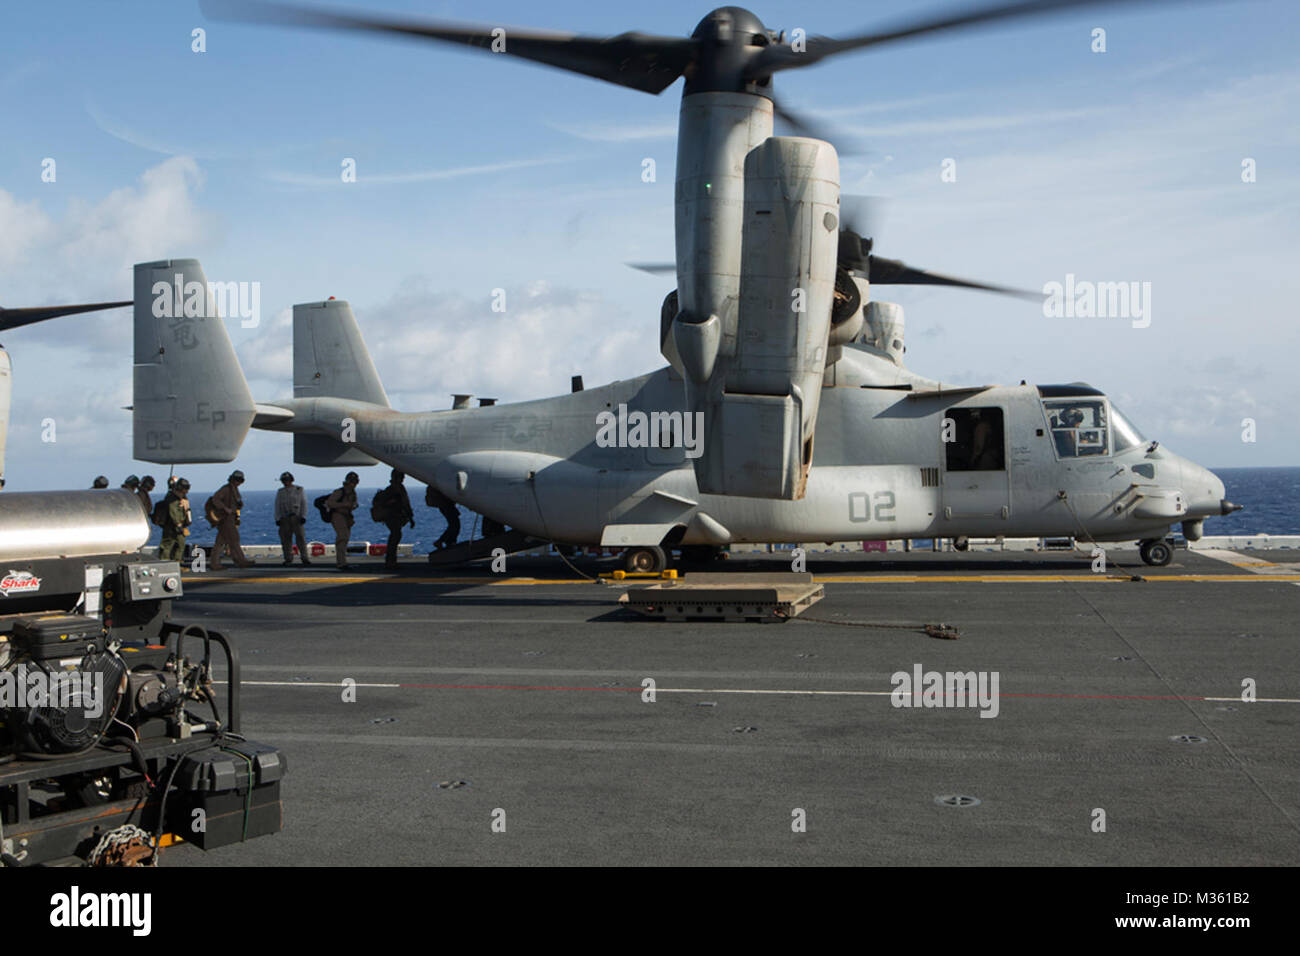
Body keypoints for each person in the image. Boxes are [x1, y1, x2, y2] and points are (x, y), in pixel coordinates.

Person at [211, 470, 255, 570]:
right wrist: (225, 508)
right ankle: (241, 561)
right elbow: (215, 499)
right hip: (226, 519)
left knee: (221, 541)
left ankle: (216, 563)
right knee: (234, 539)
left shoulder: (234, 489)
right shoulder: (226, 489)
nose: (239, 482)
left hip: (230, 518)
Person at [374, 470, 414, 570]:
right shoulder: (393, 490)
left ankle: (391, 561)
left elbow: (405, 503)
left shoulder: (398, 488)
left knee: (395, 537)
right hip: (392, 517)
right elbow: (404, 503)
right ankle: (390, 561)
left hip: (396, 517)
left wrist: (410, 517)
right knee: (395, 536)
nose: (403, 479)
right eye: (401, 477)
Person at [275, 470, 311, 566]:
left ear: (291, 480)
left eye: (287, 480)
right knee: (286, 540)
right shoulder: (280, 492)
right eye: (284, 480)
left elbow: (304, 503)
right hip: (285, 518)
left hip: (296, 517)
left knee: (300, 538)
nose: (286, 482)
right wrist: (277, 518)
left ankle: (304, 558)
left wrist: (303, 516)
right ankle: (288, 558)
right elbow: (277, 505)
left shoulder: (299, 490)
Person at [326, 471, 361, 570]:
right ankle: (341, 562)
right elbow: (330, 503)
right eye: (352, 482)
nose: (354, 484)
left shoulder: (353, 493)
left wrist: (353, 506)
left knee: (345, 538)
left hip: (347, 516)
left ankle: (342, 561)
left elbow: (354, 504)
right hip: (338, 515)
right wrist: (344, 505)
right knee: (342, 537)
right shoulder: (339, 492)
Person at [159, 478, 192, 561]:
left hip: (179, 526)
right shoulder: (172, 499)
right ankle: (164, 564)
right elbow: (173, 512)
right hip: (172, 527)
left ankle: (178, 564)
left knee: (180, 545)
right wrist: (178, 524)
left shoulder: (180, 498)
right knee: (167, 546)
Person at [427, 485, 461, 550]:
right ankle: (446, 541)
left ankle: (447, 541)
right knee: (455, 524)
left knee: (454, 524)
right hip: (446, 504)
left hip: (445, 504)